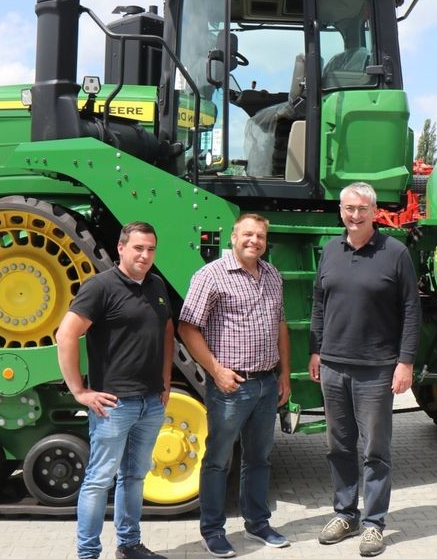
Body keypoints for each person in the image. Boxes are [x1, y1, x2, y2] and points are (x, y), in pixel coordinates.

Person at [309, 182, 420, 557]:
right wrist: (315, 351)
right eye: (348, 209)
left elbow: (410, 311)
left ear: (374, 212)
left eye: (361, 209)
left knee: (376, 450)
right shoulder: (330, 250)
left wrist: (405, 361)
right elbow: (319, 303)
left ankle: (373, 524)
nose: (354, 215)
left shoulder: (395, 253)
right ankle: (345, 514)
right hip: (333, 367)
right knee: (338, 446)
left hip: (376, 369)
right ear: (340, 211)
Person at [55, 221, 174, 559]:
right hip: (114, 404)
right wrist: (79, 391)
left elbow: (167, 330)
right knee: (99, 480)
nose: (145, 254)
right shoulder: (100, 287)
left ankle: (129, 545)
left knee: (135, 477)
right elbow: (66, 336)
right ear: (121, 248)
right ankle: (88, 553)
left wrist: (164, 380)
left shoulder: (157, 285)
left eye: (151, 249)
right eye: (138, 248)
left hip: (150, 402)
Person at [179, 213, 292, 557]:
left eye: (259, 236)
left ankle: (258, 523)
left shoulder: (273, 275)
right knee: (218, 460)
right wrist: (216, 371)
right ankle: (212, 530)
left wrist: (284, 374)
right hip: (232, 386)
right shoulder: (210, 275)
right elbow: (187, 327)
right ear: (233, 236)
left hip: (266, 383)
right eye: (247, 234)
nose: (254, 241)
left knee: (259, 458)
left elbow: (281, 325)